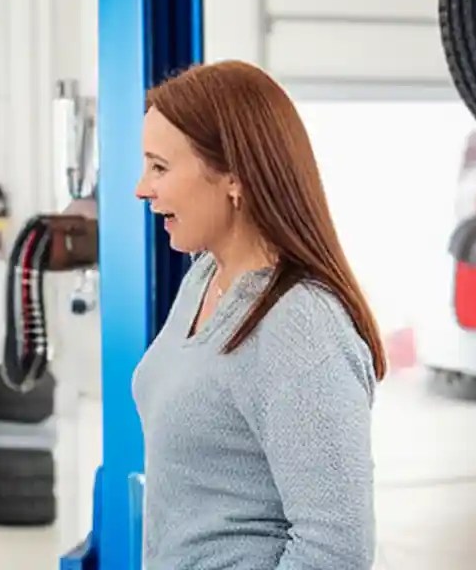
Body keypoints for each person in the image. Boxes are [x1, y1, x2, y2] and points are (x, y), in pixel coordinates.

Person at [132, 60, 384, 569]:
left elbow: (336, 549)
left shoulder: (300, 326)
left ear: (233, 177)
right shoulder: (204, 278)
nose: (142, 188)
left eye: (159, 167)